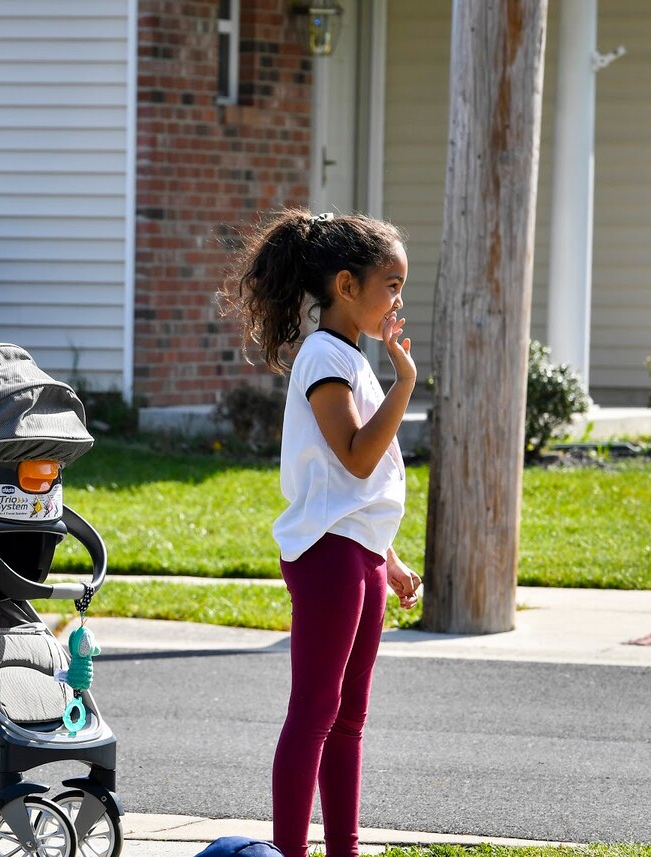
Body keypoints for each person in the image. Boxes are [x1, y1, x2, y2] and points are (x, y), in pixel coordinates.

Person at [222, 209, 422, 857]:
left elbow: (355, 488)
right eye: (390, 284)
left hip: (357, 553)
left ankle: (344, 850)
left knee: (349, 721)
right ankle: (289, 851)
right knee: (315, 710)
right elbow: (358, 456)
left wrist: (386, 558)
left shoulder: (349, 357)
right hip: (326, 557)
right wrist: (405, 385)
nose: (398, 298)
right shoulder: (322, 358)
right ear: (345, 284)